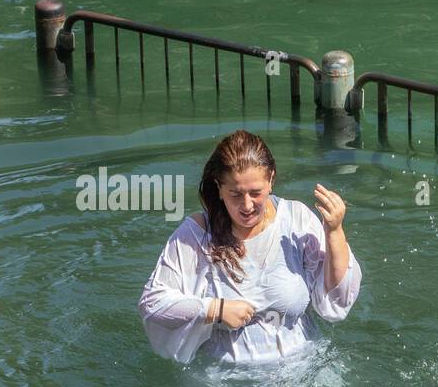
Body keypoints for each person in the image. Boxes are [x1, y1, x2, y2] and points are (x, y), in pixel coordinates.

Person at [138, 130, 361, 364]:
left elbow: (336, 299)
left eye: (256, 193)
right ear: (219, 189)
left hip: (303, 368)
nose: (247, 205)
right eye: (235, 194)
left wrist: (334, 231)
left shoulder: (296, 219)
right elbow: (152, 303)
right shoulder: (196, 233)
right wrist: (214, 309)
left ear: (271, 180)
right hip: (227, 379)